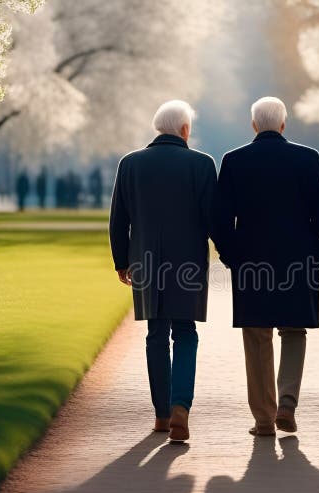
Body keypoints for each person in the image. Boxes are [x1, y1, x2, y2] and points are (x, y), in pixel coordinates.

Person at [212, 96, 319, 436]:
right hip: (297, 260)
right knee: (294, 331)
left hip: (251, 261)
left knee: (257, 334)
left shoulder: (233, 160)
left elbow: (219, 219)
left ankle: (264, 418)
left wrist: (231, 256)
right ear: (283, 124)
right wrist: (316, 254)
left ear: (253, 125)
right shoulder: (307, 158)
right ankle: (288, 403)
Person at [109, 100, 216, 442]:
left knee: (156, 335)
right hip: (188, 262)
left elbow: (118, 220)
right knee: (185, 332)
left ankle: (161, 414)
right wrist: (230, 253)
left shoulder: (130, 163)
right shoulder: (201, 164)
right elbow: (212, 218)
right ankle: (181, 405)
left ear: (158, 128)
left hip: (145, 259)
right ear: (185, 130)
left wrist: (121, 262)